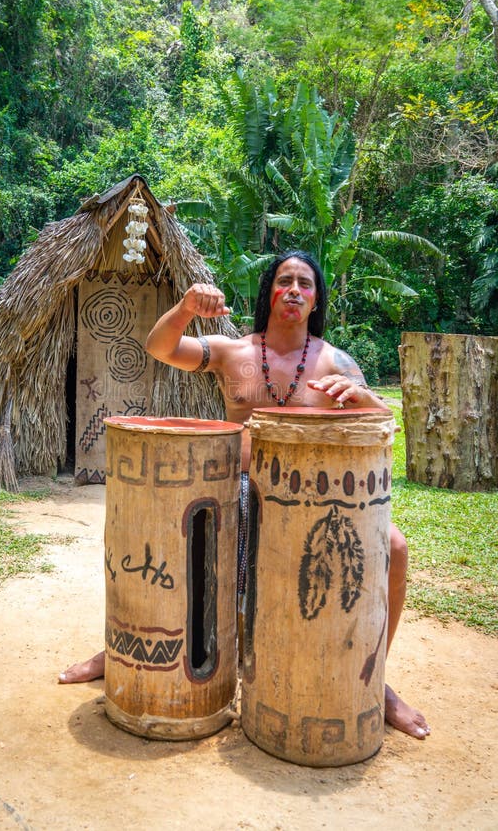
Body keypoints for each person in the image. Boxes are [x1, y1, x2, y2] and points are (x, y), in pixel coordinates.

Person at [59, 250, 430, 741]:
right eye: (284, 281)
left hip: (311, 502)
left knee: (397, 547)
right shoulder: (233, 352)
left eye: (305, 283)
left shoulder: (336, 361)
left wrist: (364, 398)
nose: (294, 289)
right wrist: (188, 306)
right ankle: (126, 651)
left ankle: (374, 679)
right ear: (269, 293)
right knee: (174, 532)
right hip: (234, 491)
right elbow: (159, 345)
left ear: (316, 298)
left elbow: (383, 423)